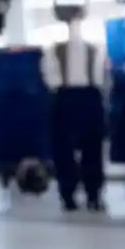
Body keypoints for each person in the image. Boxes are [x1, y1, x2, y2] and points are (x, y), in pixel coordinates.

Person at [41, 22, 109, 211]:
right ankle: (77, 194)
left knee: (87, 148)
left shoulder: (93, 50)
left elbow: (48, 78)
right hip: (75, 96)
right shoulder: (56, 50)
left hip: (78, 96)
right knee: (73, 149)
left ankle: (86, 193)